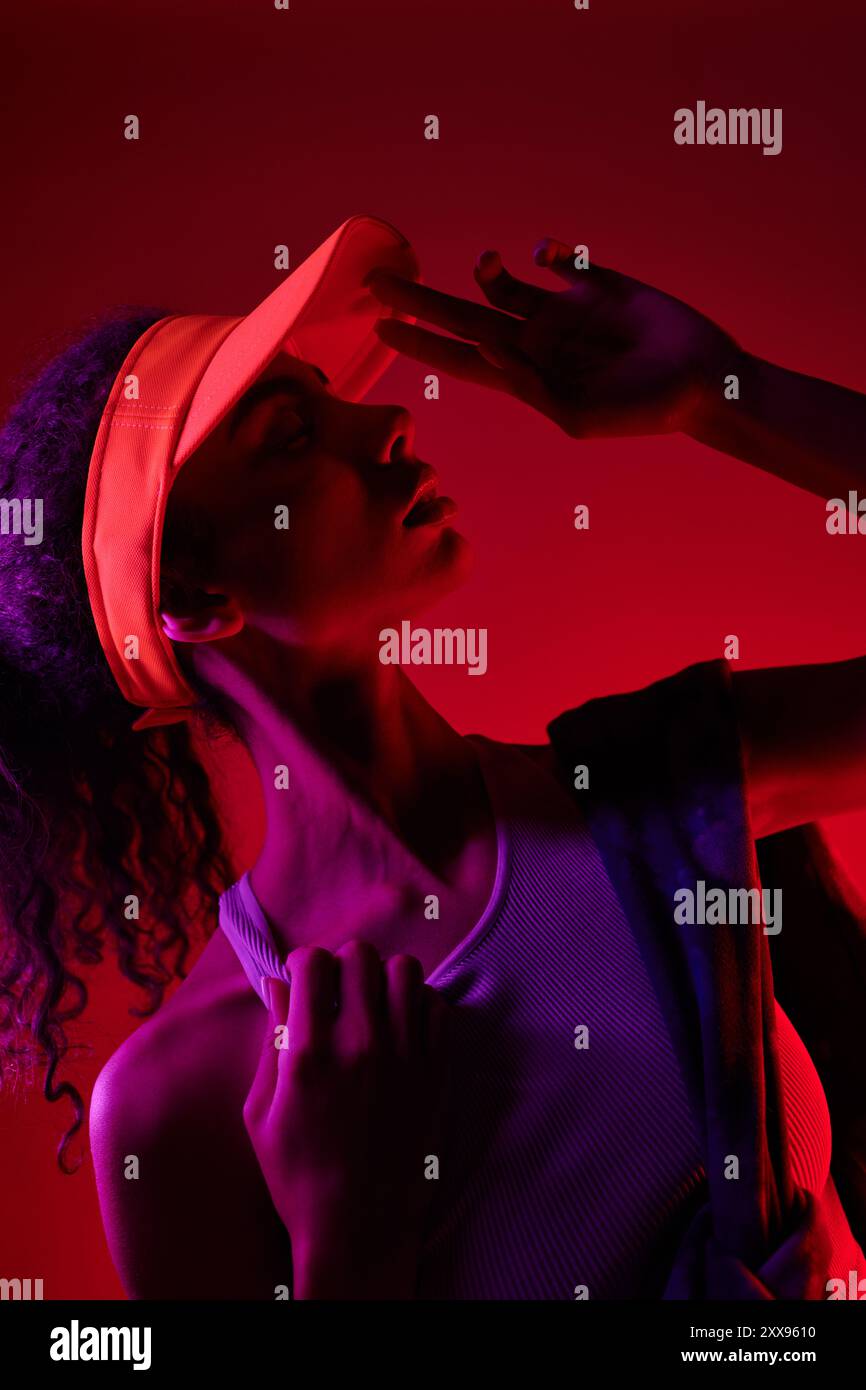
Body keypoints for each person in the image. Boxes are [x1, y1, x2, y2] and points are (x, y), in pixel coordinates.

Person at [2, 216, 865, 1299]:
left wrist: (725, 394)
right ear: (192, 599)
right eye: (289, 436)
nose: (388, 417)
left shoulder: (659, 784)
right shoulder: (182, 1097)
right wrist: (345, 1247)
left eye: (333, 395)